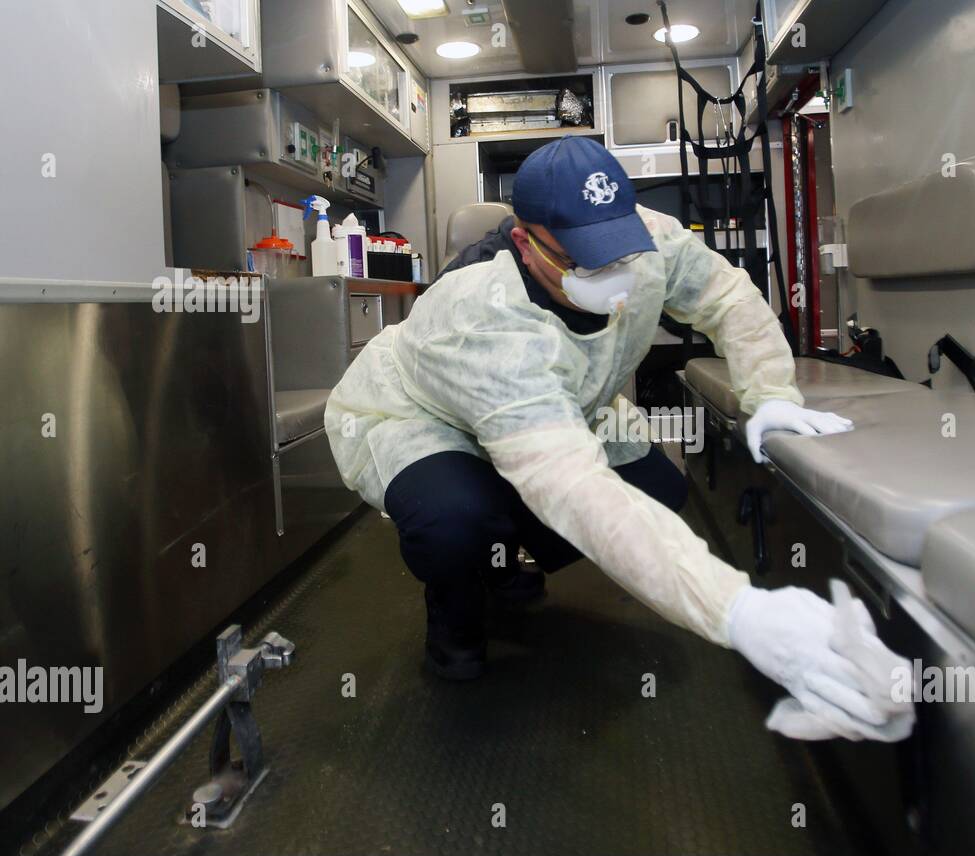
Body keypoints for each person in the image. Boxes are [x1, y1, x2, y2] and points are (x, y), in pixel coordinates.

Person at [325, 137, 913, 742]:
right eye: (586, 260)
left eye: (620, 250)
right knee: (455, 520)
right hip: (421, 417)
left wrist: (772, 394)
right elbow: (572, 485)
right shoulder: (481, 317)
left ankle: (500, 560)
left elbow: (728, 296)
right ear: (527, 245)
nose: (616, 276)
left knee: (657, 487)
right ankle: (459, 605)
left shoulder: (650, 237)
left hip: (557, 409)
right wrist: (740, 611)